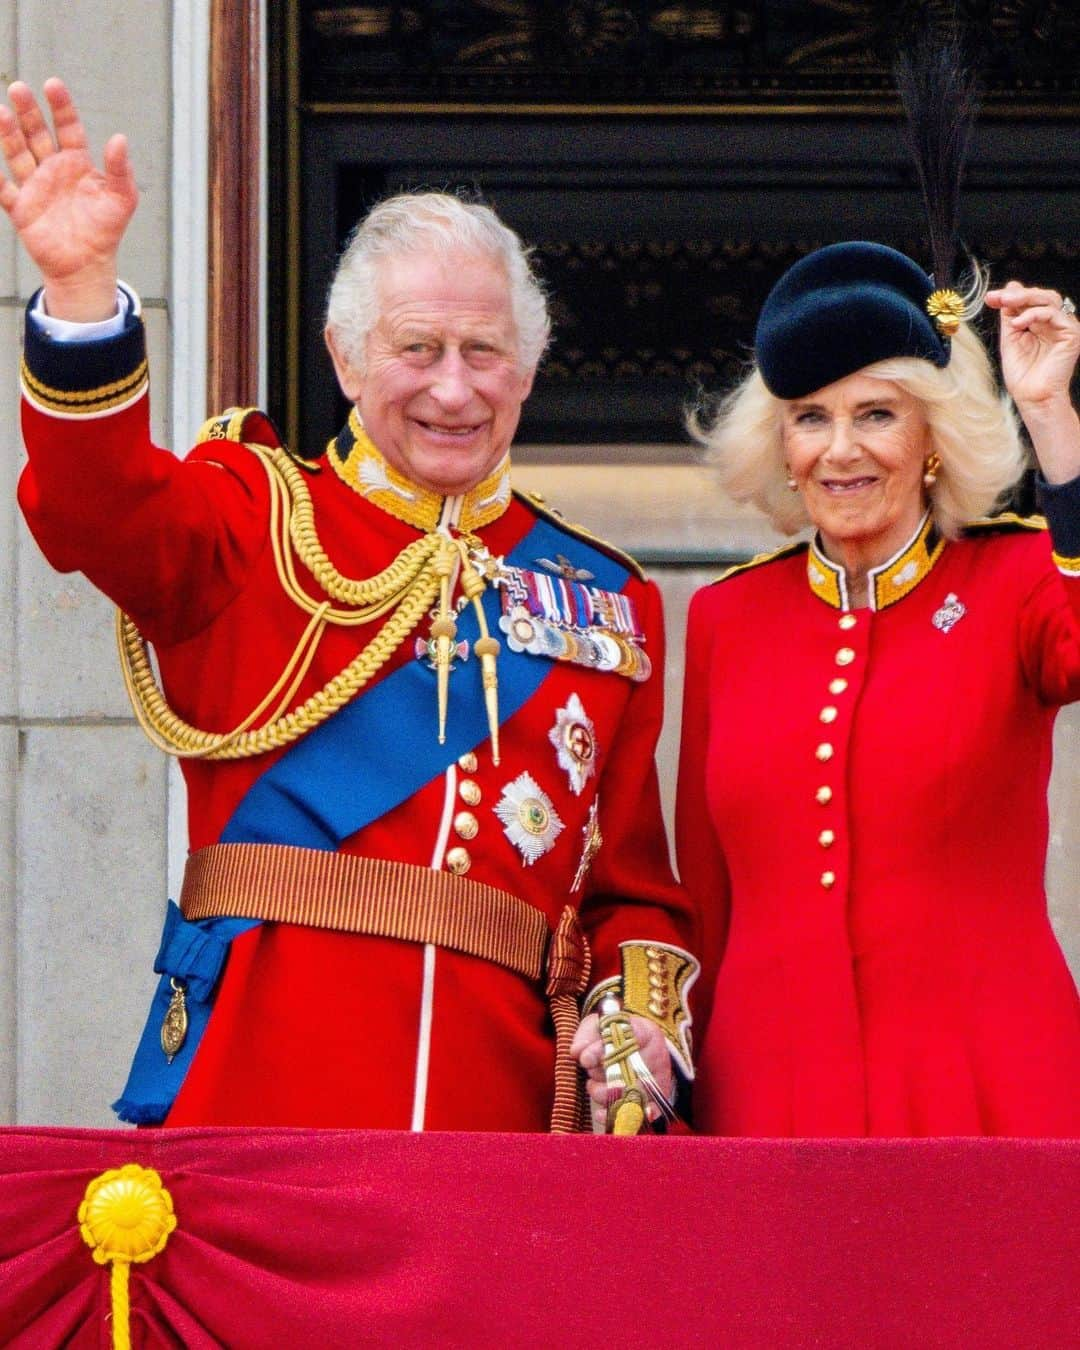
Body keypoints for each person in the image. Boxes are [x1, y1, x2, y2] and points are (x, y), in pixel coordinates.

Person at [1, 78, 698, 1131]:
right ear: (345, 355)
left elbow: (632, 893)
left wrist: (639, 1024)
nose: (453, 390)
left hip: (497, 1121)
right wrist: (84, 298)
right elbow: (97, 509)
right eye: (417, 349)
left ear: (529, 369)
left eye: (484, 354)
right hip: (262, 1099)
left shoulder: (605, 599)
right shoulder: (253, 520)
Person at [678, 236, 1080, 1136]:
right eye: (811, 417)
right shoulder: (726, 621)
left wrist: (1052, 416)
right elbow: (706, 903)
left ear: (933, 437)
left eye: (877, 414)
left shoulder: (1014, 581)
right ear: (780, 443)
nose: (841, 449)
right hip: (770, 1108)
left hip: (991, 1101)